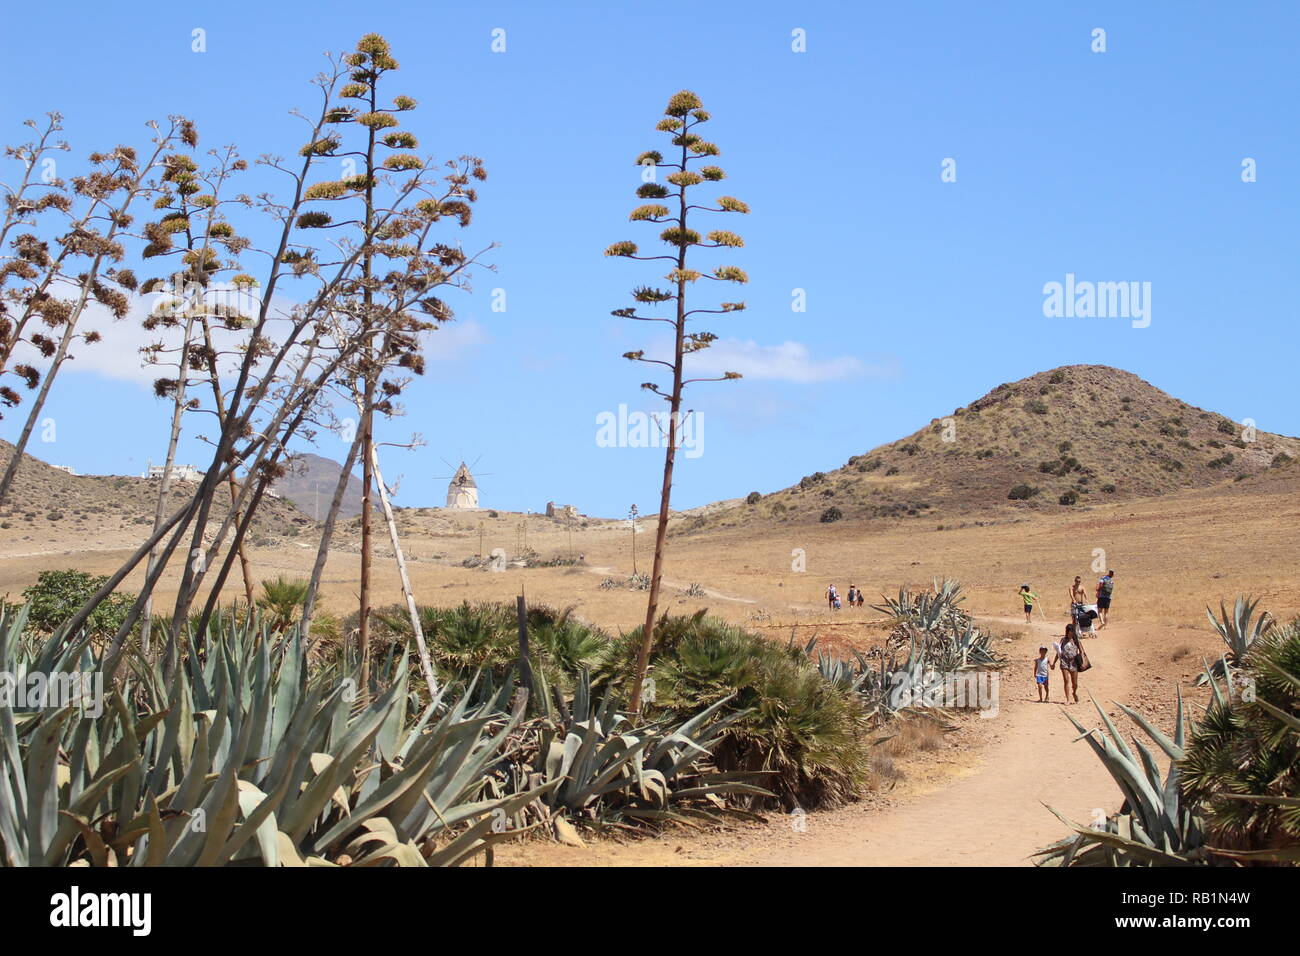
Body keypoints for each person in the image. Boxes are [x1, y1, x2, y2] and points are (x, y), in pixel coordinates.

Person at [1052, 624, 1083, 703]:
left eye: (1071, 631)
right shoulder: (1063, 640)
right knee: (1066, 680)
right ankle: (1068, 699)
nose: (1070, 633)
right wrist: (1054, 662)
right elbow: (1059, 652)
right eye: (1068, 632)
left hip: (1074, 663)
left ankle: (1074, 692)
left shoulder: (1076, 640)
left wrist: (1081, 661)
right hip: (1064, 662)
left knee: (1075, 683)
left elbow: (1081, 651)